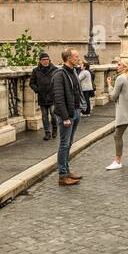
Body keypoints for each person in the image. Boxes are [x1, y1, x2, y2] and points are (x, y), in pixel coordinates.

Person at [52, 48, 86, 186]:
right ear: (68, 58)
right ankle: (62, 175)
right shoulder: (60, 74)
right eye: (76, 56)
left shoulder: (73, 72)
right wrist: (65, 117)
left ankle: (66, 171)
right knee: (64, 144)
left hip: (75, 112)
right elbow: (58, 97)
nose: (78, 58)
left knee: (69, 144)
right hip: (66, 115)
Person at [32, 52, 58, 140]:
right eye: (43, 60)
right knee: (44, 116)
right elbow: (32, 83)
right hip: (42, 96)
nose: (45, 61)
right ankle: (47, 132)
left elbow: (58, 81)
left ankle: (55, 128)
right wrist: (37, 89)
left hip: (52, 96)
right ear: (40, 61)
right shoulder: (36, 71)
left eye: (47, 59)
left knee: (54, 115)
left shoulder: (55, 69)